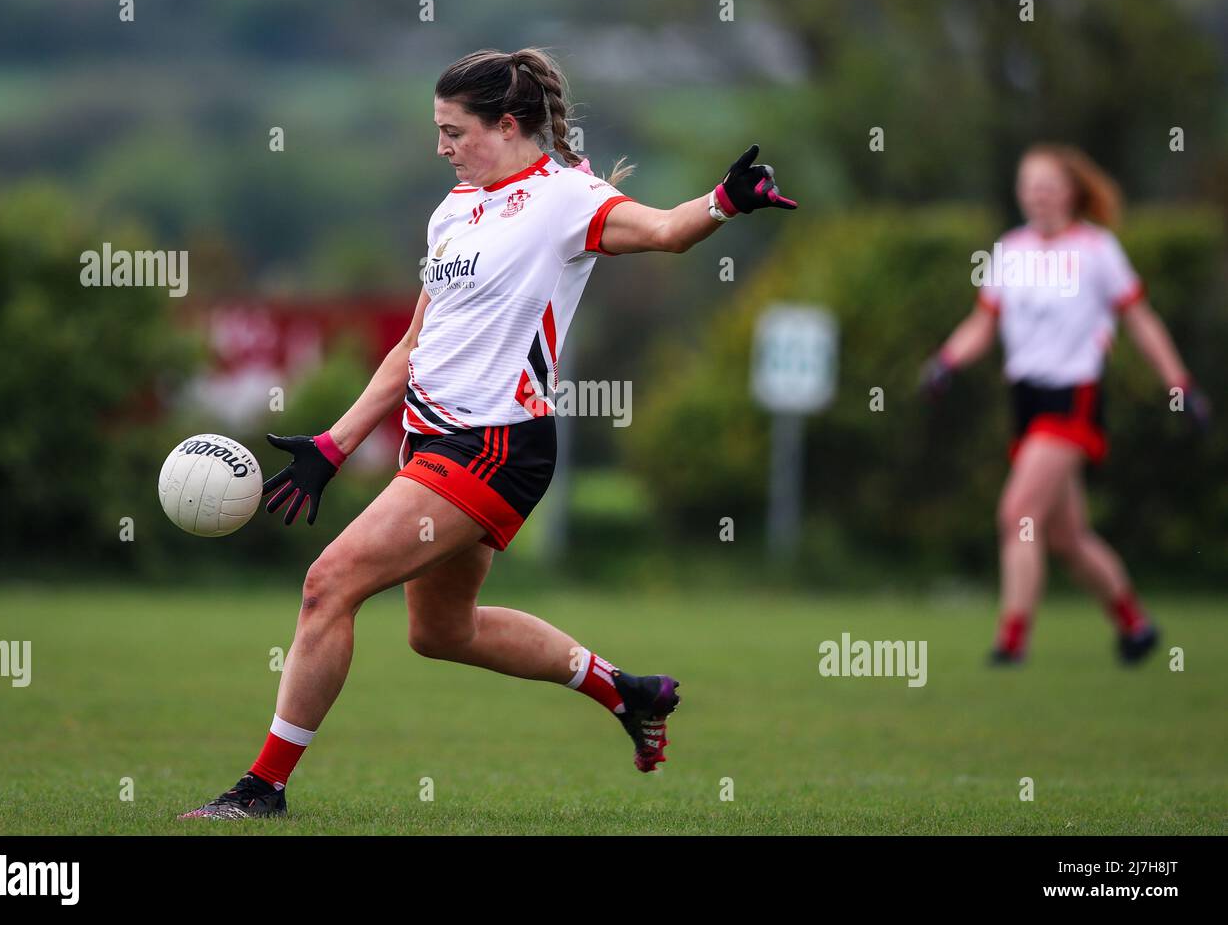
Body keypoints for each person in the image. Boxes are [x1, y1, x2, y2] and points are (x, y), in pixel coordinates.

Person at [180, 47, 797, 819]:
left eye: (453, 131)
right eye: (438, 131)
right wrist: (334, 445)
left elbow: (668, 230)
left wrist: (725, 201)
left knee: (328, 584)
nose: (441, 147)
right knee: (441, 633)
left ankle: (261, 789)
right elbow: (414, 346)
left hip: (496, 445)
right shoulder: (453, 210)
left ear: (507, 125)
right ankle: (627, 691)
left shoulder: (567, 199)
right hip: (432, 441)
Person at [921, 143, 1210, 666]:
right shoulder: (1009, 250)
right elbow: (984, 322)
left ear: (1072, 191)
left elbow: (1140, 320)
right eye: (1030, 185)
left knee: (1017, 514)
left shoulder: (1097, 250)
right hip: (1026, 399)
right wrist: (946, 361)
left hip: (1071, 396)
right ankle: (1135, 626)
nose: (1038, 195)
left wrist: (1180, 384)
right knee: (1067, 537)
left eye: (1049, 185)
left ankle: (1012, 641)